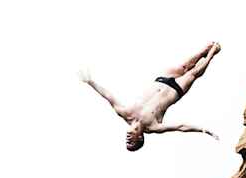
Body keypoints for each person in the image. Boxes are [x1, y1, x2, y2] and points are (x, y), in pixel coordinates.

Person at [80, 42, 221, 151]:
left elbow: (108, 96)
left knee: (184, 66)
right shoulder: (152, 127)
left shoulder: (125, 113)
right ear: (140, 137)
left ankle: (205, 50)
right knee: (193, 73)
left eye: (127, 141)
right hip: (175, 90)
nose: (127, 138)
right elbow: (180, 127)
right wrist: (202, 130)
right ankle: (212, 52)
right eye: (131, 141)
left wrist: (90, 82)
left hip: (161, 80)